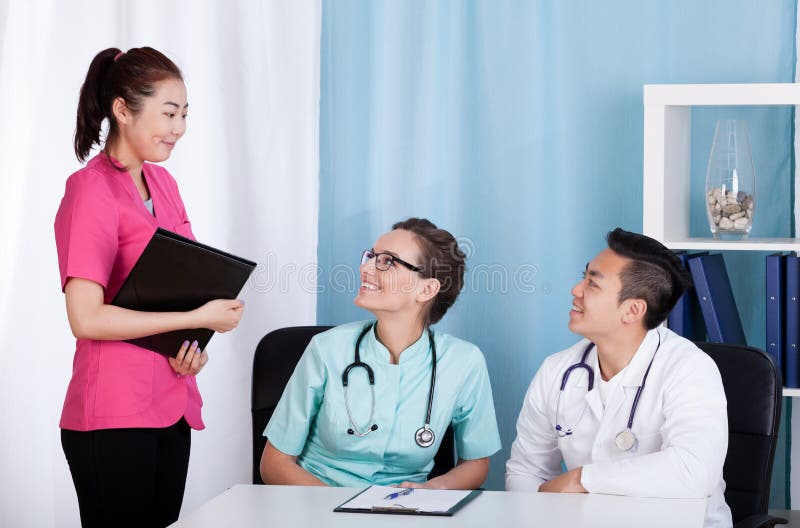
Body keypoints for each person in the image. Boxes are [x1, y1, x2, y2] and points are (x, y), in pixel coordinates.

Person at [55, 47, 245, 528]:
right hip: (114, 414)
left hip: (171, 403)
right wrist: (197, 319)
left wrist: (192, 347)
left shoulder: (164, 183)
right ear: (122, 110)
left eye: (184, 114)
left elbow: (183, 283)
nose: (178, 127)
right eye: (168, 113)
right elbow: (87, 317)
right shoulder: (90, 191)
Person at [505, 228, 732, 528]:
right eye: (583, 276)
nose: (576, 289)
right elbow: (525, 471)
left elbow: (693, 471)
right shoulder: (557, 371)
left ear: (632, 310)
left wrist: (581, 479)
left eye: (592, 284)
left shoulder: (690, 369)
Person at [260, 218, 501, 489]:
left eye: (387, 261)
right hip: (319, 505)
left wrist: (432, 490)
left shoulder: (463, 362)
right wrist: (338, 510)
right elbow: (274, 464)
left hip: (404, 510)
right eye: (371, 257)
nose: (365, 267)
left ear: (427, 289)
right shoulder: (326, 349)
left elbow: (476, 463)